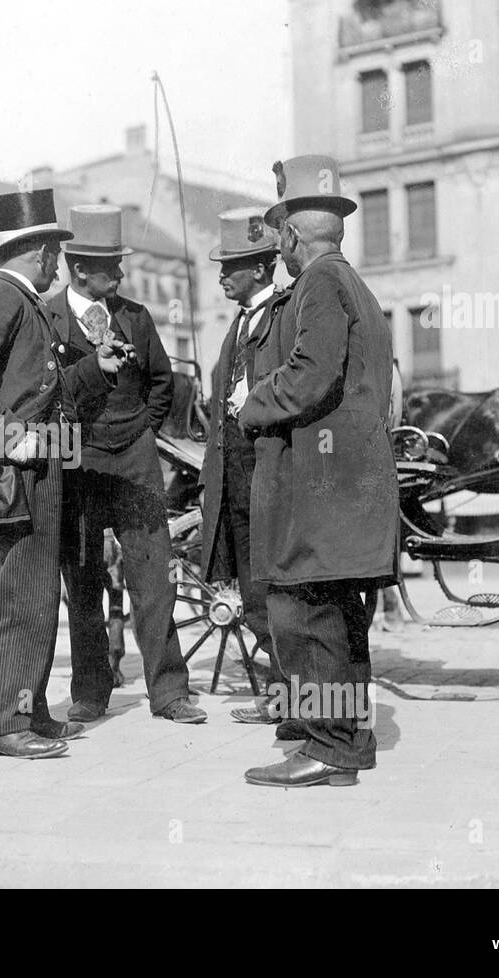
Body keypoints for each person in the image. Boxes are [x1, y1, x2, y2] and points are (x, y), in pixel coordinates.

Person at [0, 189, 126, 759]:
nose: (56, 264)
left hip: (39, 469)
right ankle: (2, 725)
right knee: (18, 597)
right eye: (53, 252)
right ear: (41, 252)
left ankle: (30, 709)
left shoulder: (21, 302)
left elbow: (42, 390)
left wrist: (92, 372)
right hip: (13, 474)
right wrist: (7, 434)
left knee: (40, 593)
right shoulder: (2, 298)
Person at [237, 155, 399, 787]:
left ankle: (325, 748)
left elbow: (310, 374)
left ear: (293, 236)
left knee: (301, 618)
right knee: (337, 618)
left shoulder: (318, 285)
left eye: (279, 232)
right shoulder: (355, 282)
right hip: (349, 485)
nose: (277, 246)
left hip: (320, 488)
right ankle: (344, 749)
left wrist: (250, 406)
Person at [48, 204, 207, 726]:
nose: (120, 275)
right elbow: (42, 393)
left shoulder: (135, 317)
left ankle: (168, 692)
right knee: (84, 580)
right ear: (79, 269)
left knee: (154, 579)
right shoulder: (46, 317)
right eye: (110, 267)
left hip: (136, 463)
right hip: (77, 465)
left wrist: (143, 427)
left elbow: (163, 382)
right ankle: (91, 692)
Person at [194, 209, 294, 730]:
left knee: (275, 592)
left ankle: (292, 698)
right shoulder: (238, 323)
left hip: (269, 475)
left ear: (261, 268)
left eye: (231, 265)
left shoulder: (284, 314)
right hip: (234, 476)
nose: (221, 274)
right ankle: (283, 694)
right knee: (253, 594)